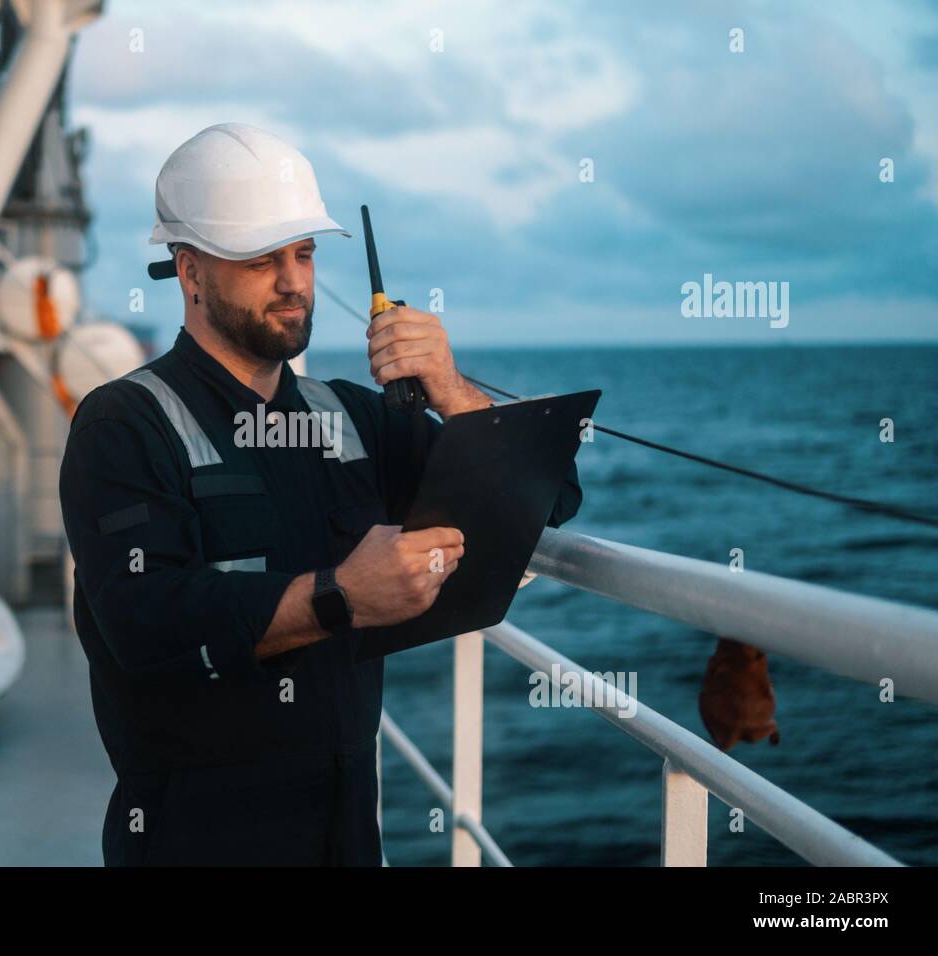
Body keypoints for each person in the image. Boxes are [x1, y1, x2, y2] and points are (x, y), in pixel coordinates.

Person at [59, 122, 582, 866]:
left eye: (303, 253)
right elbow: (145, 626)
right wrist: (339, 595)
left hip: (346, 836)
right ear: (190, 272)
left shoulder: (356, 417)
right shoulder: (123, 423)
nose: (293, 282)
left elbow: (549, 500)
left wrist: (448, 388)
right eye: (260, 259)